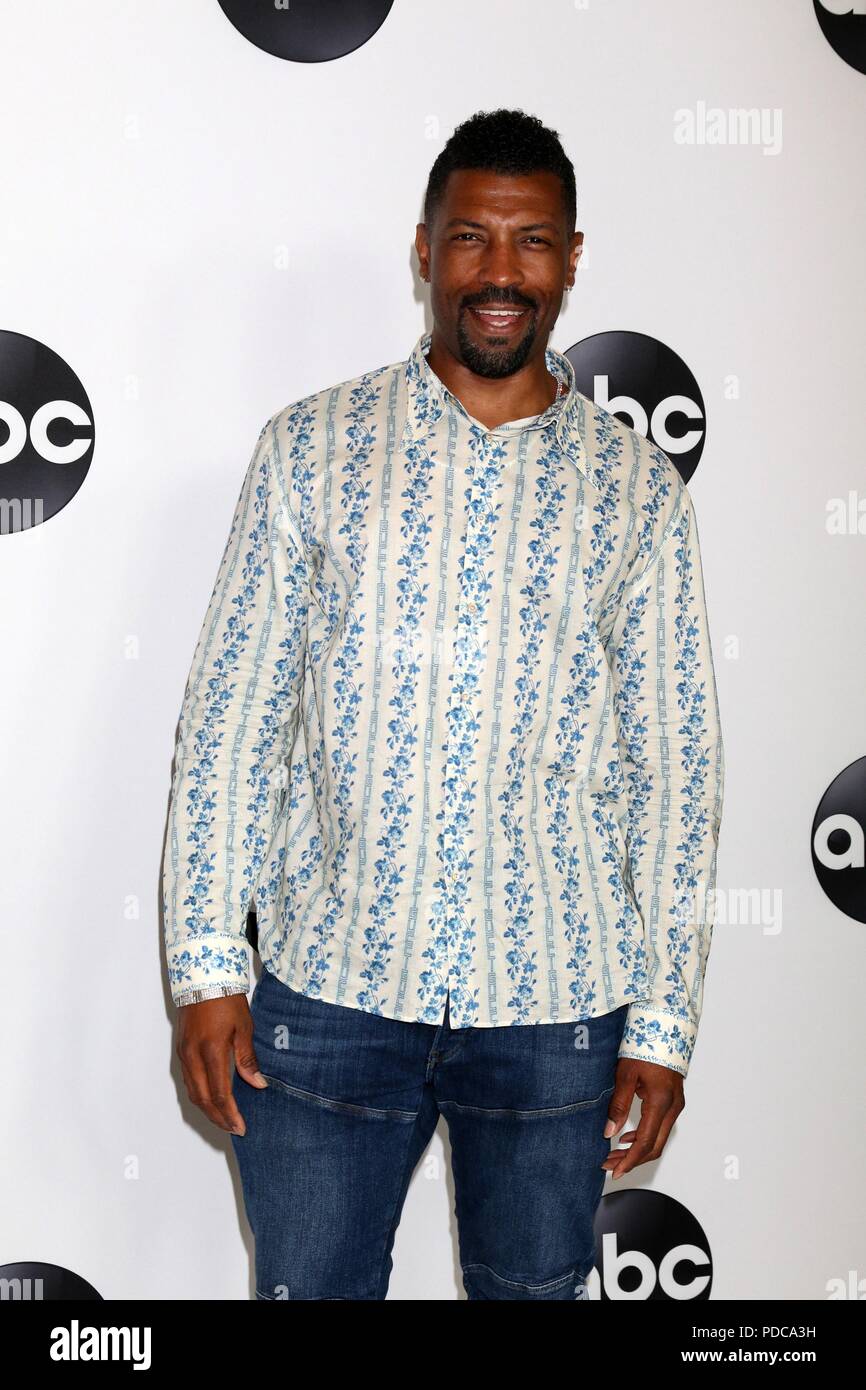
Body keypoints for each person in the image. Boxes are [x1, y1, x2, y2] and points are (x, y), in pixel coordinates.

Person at [162, 108, 725, 1301]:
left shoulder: (636, 491)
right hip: (326, 988)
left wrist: (660, 1024)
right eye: (470, 238)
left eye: (529, 242)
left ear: (572, 258)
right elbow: (231, 723)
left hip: (558, 1007)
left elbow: (673, 768)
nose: (498, 272)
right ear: (423, 251)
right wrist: (210, 967)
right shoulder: (307, 450)